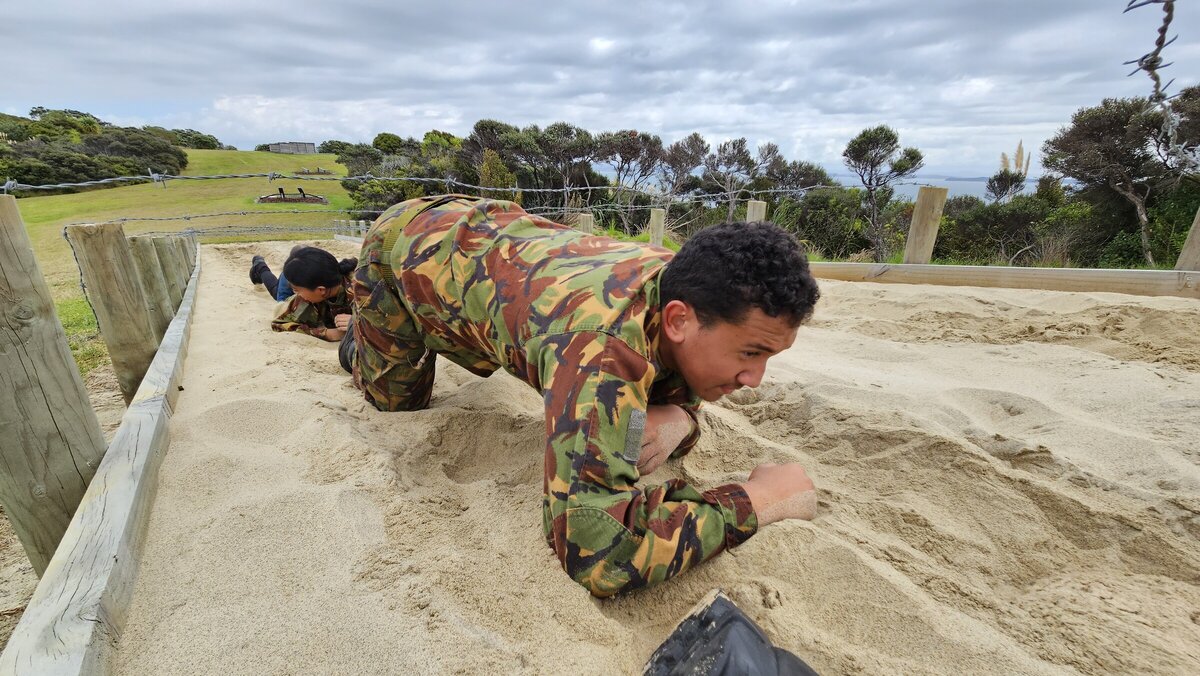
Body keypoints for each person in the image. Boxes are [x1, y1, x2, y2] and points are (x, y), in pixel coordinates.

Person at [345, 194, 821, 596]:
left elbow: (681, 372)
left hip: (490, 243)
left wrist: (679, 415)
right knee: (396, 399)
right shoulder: (603, 347)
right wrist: (757, 500)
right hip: (407, 244)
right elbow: (596, 551)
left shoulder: (688, 285)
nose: (754, 379)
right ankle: (354, 342)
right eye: (751, 353)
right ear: (679, 320)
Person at [269, 246, 356, 341]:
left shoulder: (362, 290)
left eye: (296, 290)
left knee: (275, 289)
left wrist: (358, 322)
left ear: (321, 290)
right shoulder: (308, 296)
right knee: (276, 291)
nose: (297, 294)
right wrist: (325, 334)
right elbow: (279, 324)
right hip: (298, 289)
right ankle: (260, 267)